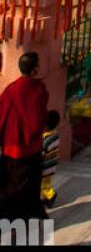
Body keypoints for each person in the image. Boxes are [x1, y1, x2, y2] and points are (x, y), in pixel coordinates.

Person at [0, 51, 50, 221]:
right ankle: (32, 217)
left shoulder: (10, 90)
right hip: (32, 147)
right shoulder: (39, 89)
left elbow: (1, 116)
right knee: (31, 186)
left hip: (11, 147)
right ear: (35, 69)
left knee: (10, 185)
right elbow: (39, 119)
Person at [40, 111, 60, 207]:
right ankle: (47, 197)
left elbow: (42, 153)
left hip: (45, 166)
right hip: (52, 165)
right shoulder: (55, 135)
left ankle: (51, 196)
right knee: (46, 182)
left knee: (43, 184)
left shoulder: (45, 139)